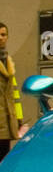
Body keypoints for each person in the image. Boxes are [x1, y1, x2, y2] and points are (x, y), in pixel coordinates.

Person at [0, 23, 24, 161]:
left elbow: (14, 95)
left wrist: (18, 119)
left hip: (6, 123)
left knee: (4, 162)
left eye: (3, 34)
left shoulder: (8, 61)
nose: (0, 38)